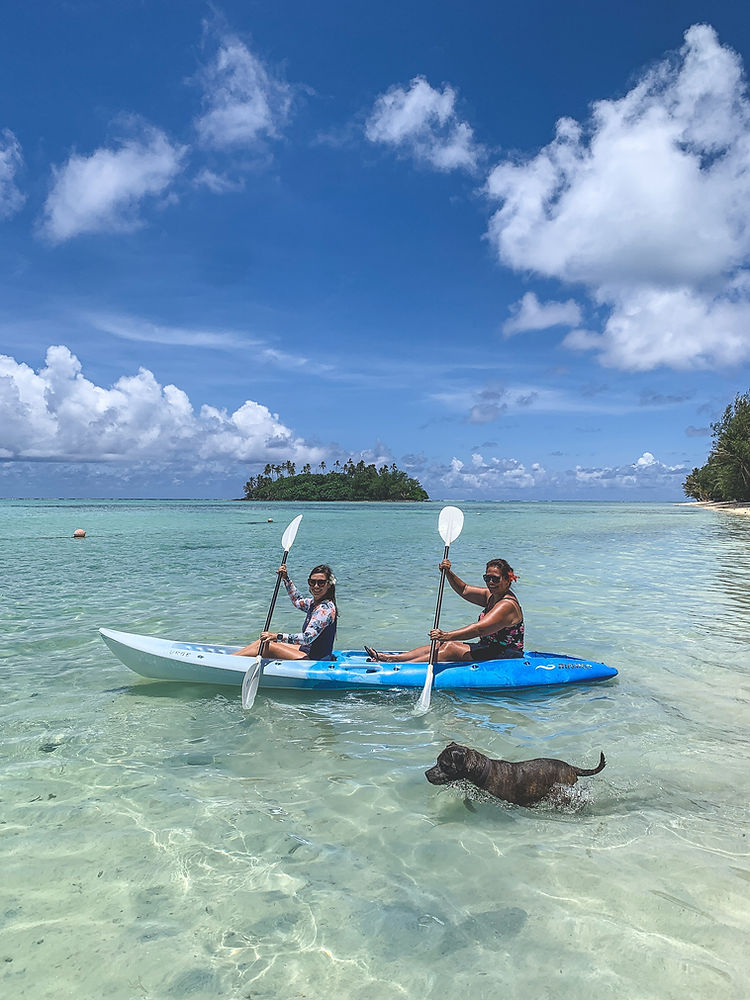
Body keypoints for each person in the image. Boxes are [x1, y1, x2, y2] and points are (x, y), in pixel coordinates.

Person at [364, 558, 523, 663]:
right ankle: (392, 658)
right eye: (487, 578)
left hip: (506, 654)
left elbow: (479, 629)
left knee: (450, 647)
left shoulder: (506, 605)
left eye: (495, 578)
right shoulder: (491, 596)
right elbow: (464, 590)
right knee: (439, 644)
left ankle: (402, 667)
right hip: (487, 648)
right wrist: (447, 572)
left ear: (507, 580)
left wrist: (447, 636)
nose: (490, 582)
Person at [235, 563, 338, 660]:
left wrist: (277, 636)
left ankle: (230, 660)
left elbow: (306, 638)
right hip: (307, 650)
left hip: (315, 659)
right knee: (263, 642)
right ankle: (233, 658)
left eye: (321, 583)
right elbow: (297, 601)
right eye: (312, 582)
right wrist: (286, 578)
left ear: (329, 584)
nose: (316, 586)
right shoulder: (314, 603)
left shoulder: (325, 609)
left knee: (267, 645)